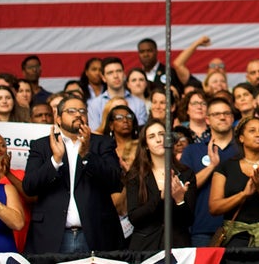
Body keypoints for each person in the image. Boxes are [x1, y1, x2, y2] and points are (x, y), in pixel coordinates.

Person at [22, 95, 124, 254]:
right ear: (58, 118)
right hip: (52, 235)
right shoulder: (41, 145)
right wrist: (55, 161)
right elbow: (29, 186)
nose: (78, 114)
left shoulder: (102, 143)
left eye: (82, 111)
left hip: (96, 234)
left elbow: (115, 182)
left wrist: (87, 156)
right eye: (71, 111)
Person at [209, 115, 259, 247]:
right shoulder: (226, 167)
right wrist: (244, 194)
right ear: (241, 138)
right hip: (235, 240)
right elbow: (214, 208)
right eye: (252, 131)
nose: (258, 134)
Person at [125, 119, 197, 250]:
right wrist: (161, 196)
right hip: (146, 247)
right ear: (145, 144)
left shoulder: (186, 173)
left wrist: (180, 200)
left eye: (162, 134)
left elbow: (188, 221)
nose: (158, 140)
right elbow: (134, 218)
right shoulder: (135, 176)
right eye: (152, 136)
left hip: (178, 246)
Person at [179, 94, 240, 247]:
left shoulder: (244, 151)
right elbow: (185, 188)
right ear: (207, 120)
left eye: (226, 113)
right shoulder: (192, 151)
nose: (222, 117)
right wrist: (212, 166)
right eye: (216, 114)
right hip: (202, 228)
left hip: (240, 228)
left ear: (232, 118)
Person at [88, 57, 149, 126]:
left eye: (119, 71)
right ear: (103, 78)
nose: (116, 76)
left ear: (124, 74)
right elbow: (95, 134)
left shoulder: (139, 104)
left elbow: (140, 133)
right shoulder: (95, 105)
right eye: (110, 73)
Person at [103, 103, 141, 170]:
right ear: (111, 125)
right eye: (119, 118)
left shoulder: (141, 146)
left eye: (129, 117)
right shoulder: (105, 148)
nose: (125, 121)